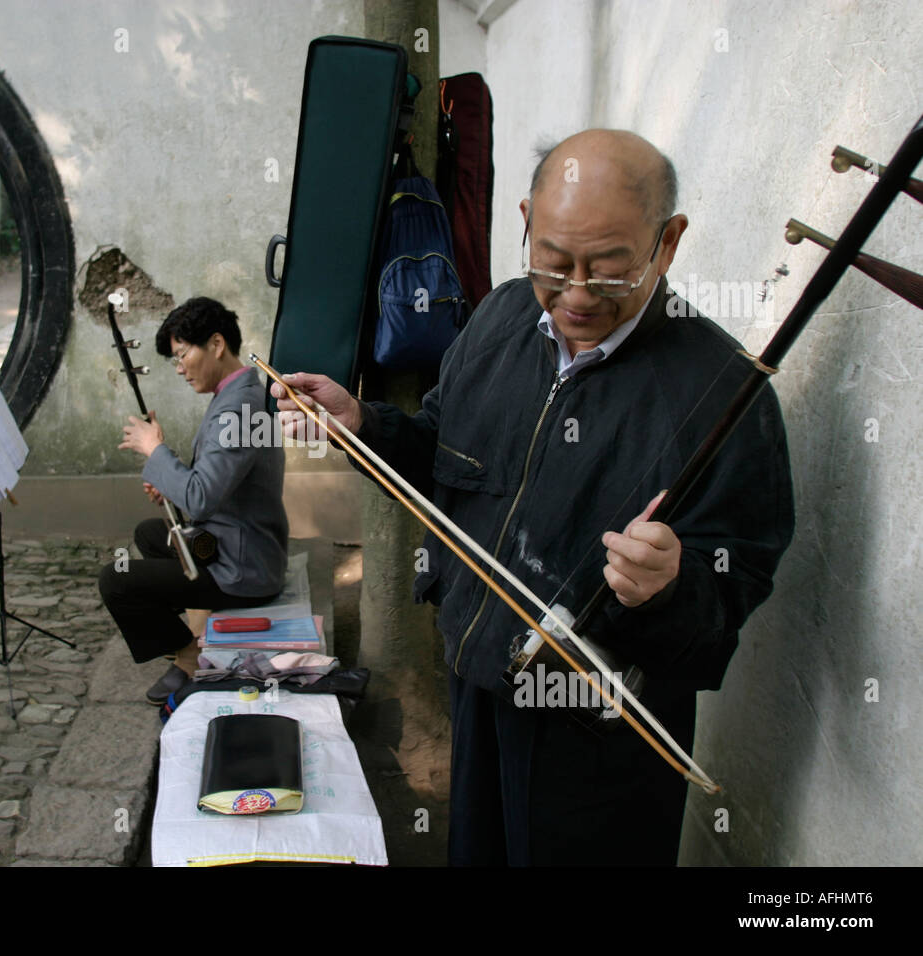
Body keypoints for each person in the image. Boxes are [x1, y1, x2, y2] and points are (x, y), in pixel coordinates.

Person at [274, 129, 795, 865]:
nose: (577, 295)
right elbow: (446, 462)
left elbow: (733, 590)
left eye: (610, 271)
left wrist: (671, 585)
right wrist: (365, 424)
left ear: (668, 242)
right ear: (525, 223)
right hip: (480, 674)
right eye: (554, 263)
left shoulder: (725, 396)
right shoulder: (502, 316)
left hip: (600, 735)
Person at [99, 297, 289, 704]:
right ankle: (192, 634)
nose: (180, 368)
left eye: (183, 354)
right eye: (174, 360)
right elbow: (216, 482)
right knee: (151, 534)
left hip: (242, 570)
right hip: (240, 544)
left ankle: (189, 655)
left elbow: (201, 498)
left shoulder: (237, 407)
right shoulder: (239, 393)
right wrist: (169, 478)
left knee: (116, 580)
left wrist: (155, 452)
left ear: (217, 344)